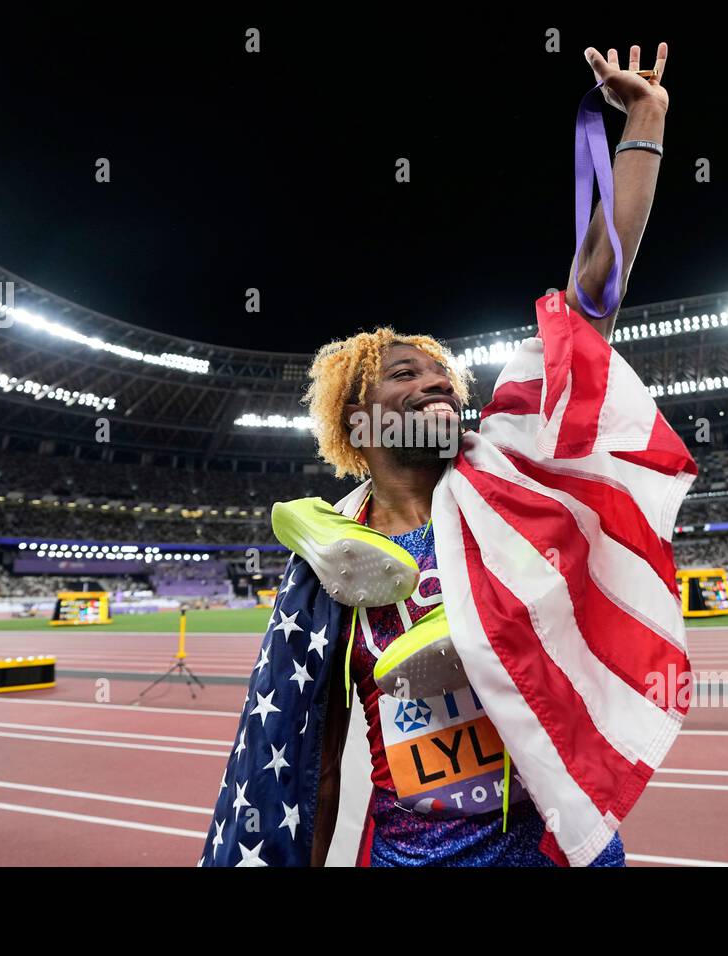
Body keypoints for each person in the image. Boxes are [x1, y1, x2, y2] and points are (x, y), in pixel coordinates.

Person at [203, 43, 688, 868]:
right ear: (356, 425)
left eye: (443, 374)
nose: (437, 385)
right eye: (405, 374)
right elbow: (315, 765)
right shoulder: (328, 561)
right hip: (410, 857)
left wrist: (645, 121)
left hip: (561, 851)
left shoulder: (508, 474)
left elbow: (593, 297)